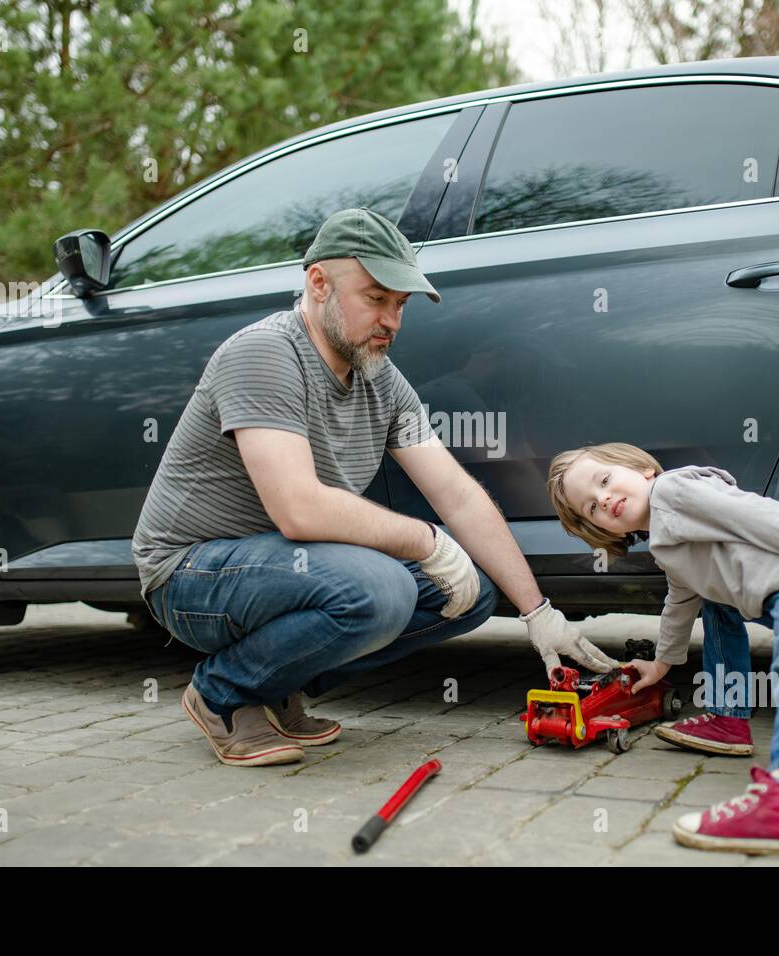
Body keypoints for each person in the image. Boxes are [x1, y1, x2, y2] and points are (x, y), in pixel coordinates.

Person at [132, 207, 617, 768]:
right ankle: (222, 692)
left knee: (470, 594)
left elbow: (456, 495)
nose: (392, 321)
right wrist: (426, 543)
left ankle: (277, 685)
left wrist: (538, 612)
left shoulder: (381, 380)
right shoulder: (264, 353)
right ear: (318, 283)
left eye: (400, 305)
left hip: (290, 566)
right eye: (375, 298)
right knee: (380, 589)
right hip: (190, 572)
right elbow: (298, 509)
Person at [547, 441, 779, 853]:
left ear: (642, 469)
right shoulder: (665, 539)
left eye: (605, 480)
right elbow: (681, 598)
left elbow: (756, 514)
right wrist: (662, 664)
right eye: (591, 507)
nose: (604, 498)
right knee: (713, 598)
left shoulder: (674, 491)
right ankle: (728, 718)